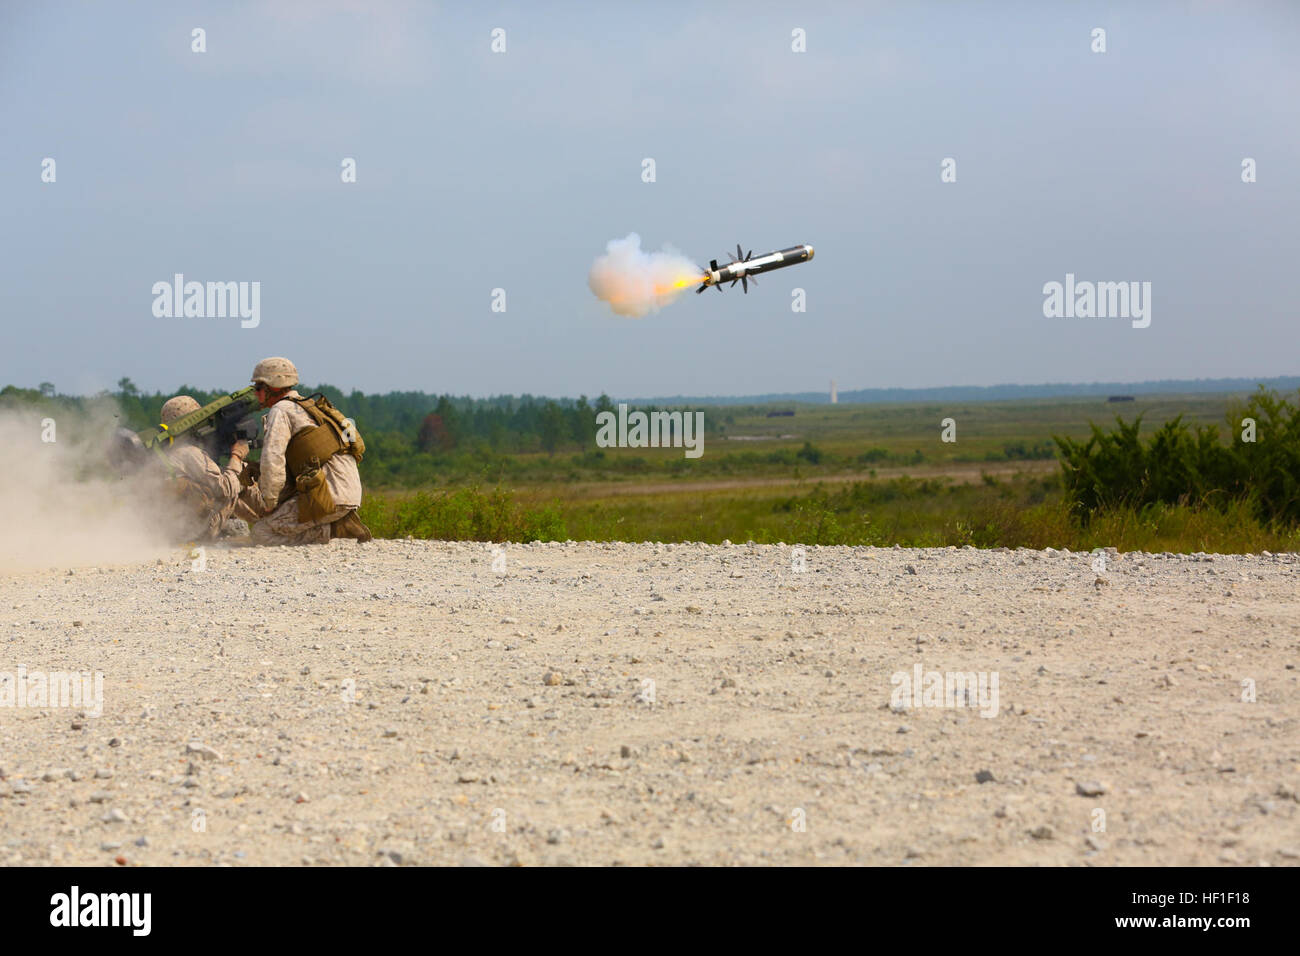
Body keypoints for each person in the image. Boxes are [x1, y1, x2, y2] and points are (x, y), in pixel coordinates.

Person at [246, 357, 372, 545]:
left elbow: (273, 461)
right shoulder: (308, 406)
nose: (256, 395)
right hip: (345, 493)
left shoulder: (281, 410)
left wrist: (269, 504)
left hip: (327, 497)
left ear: (271, 387)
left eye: (258, 389)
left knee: (261, 532)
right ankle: (337, 522)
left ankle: (334, 530)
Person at [158, 395, 261, 541]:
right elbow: (225, 489)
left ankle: (259, 520)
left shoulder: (164, 455)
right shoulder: (188, 452)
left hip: (173, 530)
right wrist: (237, 455)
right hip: (196, 532)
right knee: (241, 472)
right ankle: (268, 519)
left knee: (230, 477)